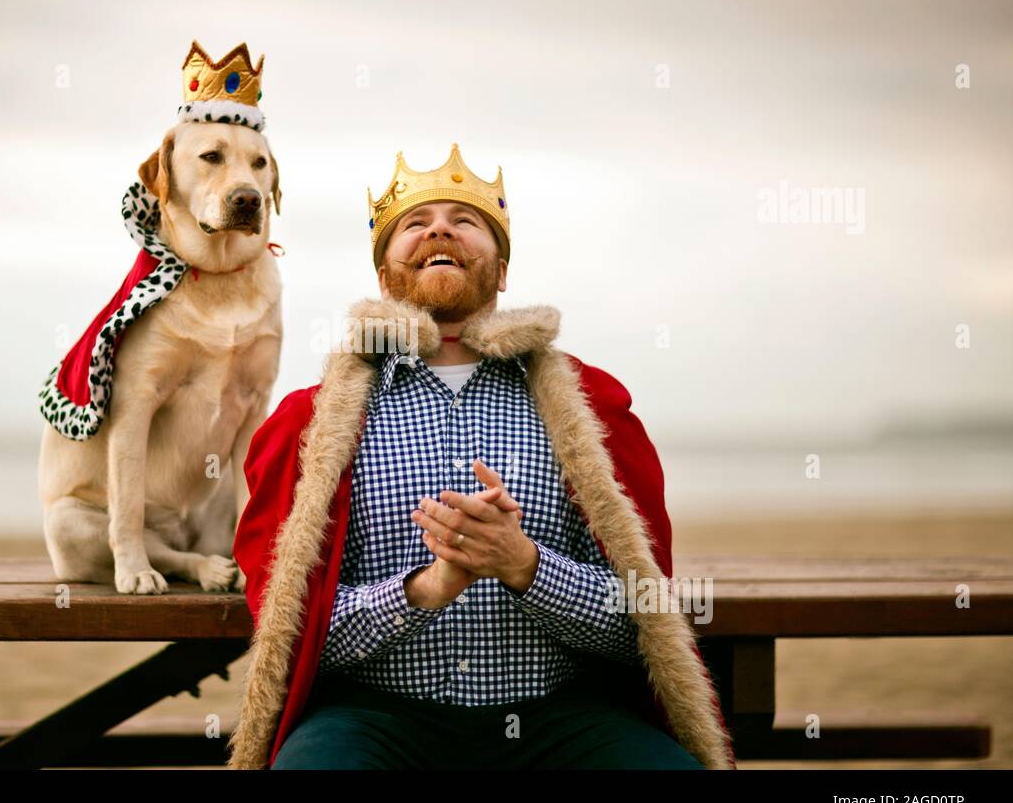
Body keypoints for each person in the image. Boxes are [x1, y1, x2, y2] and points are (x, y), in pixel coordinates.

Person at [226, 144, 735, 770]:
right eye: (415, 224)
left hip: (561, 718)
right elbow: (293, 638)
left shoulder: (592, 411)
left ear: (500, 271)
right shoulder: (308, 426)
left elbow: (643, 630)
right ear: (384, 277)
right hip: (373, 720)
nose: (439, 228)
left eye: (465, 222)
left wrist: (526, 566)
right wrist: (421, 591)